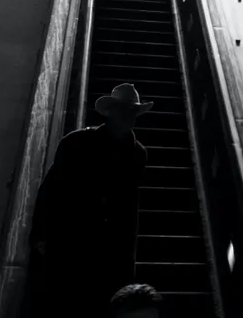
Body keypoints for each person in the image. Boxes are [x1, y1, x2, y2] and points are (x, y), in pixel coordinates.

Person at [28, 84, 151, 317]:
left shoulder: (138, 154)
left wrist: (128, 258)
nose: (129, 117)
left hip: (107, 251)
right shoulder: (76, 142)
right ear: (111, 112)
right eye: (124, 111)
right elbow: (51, 189)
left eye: (132, 112)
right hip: (69, 241)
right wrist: (41, 233)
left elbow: (129, 206)